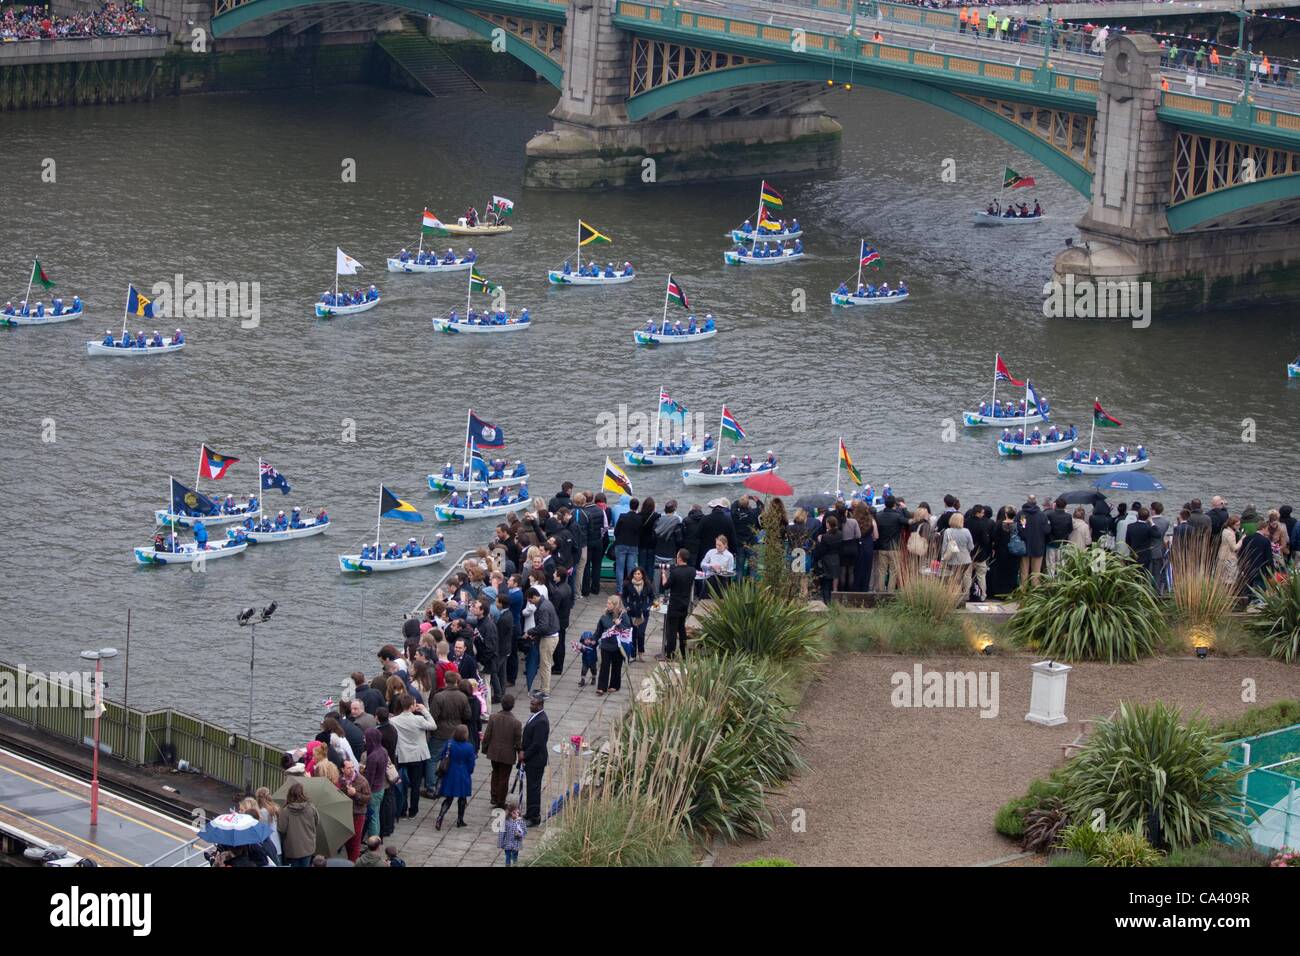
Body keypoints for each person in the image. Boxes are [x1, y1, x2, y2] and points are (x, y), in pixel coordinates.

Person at [389, 694, 436, 819]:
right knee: (415, 785)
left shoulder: (393, 721)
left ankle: (402, 811)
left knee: (403, 784)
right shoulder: (418, 720)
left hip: (403, 755)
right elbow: (433, 725)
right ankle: (413, 811)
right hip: (417, 756)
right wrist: (425, 710)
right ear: (411, 706)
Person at [482, 693, 522, 809]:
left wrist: (485, 748)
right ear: (513, 706)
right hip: (507, 755)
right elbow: (518, 741)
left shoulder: (493, 718)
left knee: (495, 774)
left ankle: (494, 797)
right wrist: (519, 752)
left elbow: (487, 735)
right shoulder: (516, 723)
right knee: (504, 778)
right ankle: (500, 800)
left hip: (494, 752)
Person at [433, 725, 477, 830]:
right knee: (462, 798)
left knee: (449, 798)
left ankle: (440, 817)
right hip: (463, 774)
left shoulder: (449, 744)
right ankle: (460, 820)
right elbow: (471, 764)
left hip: (450, 773)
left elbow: (443, 756)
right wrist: (469, 772)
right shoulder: (469, 747)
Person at [524, 588, 560, 698]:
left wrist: (530, 631)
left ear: (535, 597)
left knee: (545, 665)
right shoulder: (546, 603)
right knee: (545, 664)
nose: (530, 603)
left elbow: (543, 627)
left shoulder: (543, 608)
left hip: (548, 638)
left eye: (530, 600)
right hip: (551, 636)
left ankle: (545, 691)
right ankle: (543, 688)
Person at [520, 693, 550, 826]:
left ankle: (534, 817)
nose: (530, 706)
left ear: (539, 705)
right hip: (531, 759)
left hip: (536, 760)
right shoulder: (535, 717)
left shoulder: (541, 721)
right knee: (531, 787)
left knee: (534, 788)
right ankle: (530, 812)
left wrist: (525, 755)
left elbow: (537, 743)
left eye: (533, 704)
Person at [661, 548, 695, 661]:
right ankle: (684, 653)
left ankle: (670, 654)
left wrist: (664, 575)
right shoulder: (692, 571)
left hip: (674, 604)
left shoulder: (675, 572)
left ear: (679, 558)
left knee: (672, 631)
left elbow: (666, 585)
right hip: (684, 604)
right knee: (682, 629)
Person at [595, 595, 631, 696]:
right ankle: (601, 687)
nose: (607, 605)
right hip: (606, 644)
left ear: (615, 605)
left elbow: (627, 630)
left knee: (616, 666)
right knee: (604, 666)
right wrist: (593, 640)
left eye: (609, 603)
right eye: (607, 603)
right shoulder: (604, 616)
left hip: (617, 646)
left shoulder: (623, 615)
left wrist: (619, 624)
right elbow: (599, 631)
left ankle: (614, 685)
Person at [277, 783, 319, 867]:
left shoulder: (285, 811)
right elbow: (316, 822)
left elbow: (282, 829)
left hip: (292, 848)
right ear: (303, 794)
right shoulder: (311, 808)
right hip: (308, 846)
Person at [940, 511, 975, 596]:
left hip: (952, 560)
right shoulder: (966, 531)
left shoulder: (948, 531)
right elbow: (971, 547)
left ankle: (953, 596)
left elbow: (944, 547)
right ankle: (965, 595)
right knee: (962, 577)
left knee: (952, 579)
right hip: (965, 560)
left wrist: (942, 559)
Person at [498, 801, 527, 866]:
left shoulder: (521, 822)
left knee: (515, 857)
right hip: (507, 844)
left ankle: (515, 865)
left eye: (518, 812)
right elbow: (501, 833)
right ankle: (507, 865)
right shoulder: (506, 822)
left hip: (516, 844)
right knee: (507, 857)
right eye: (514, 813)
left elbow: (525, 831)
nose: (516, 814)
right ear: (510, 813)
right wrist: (500, 843)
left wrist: (520, 834)